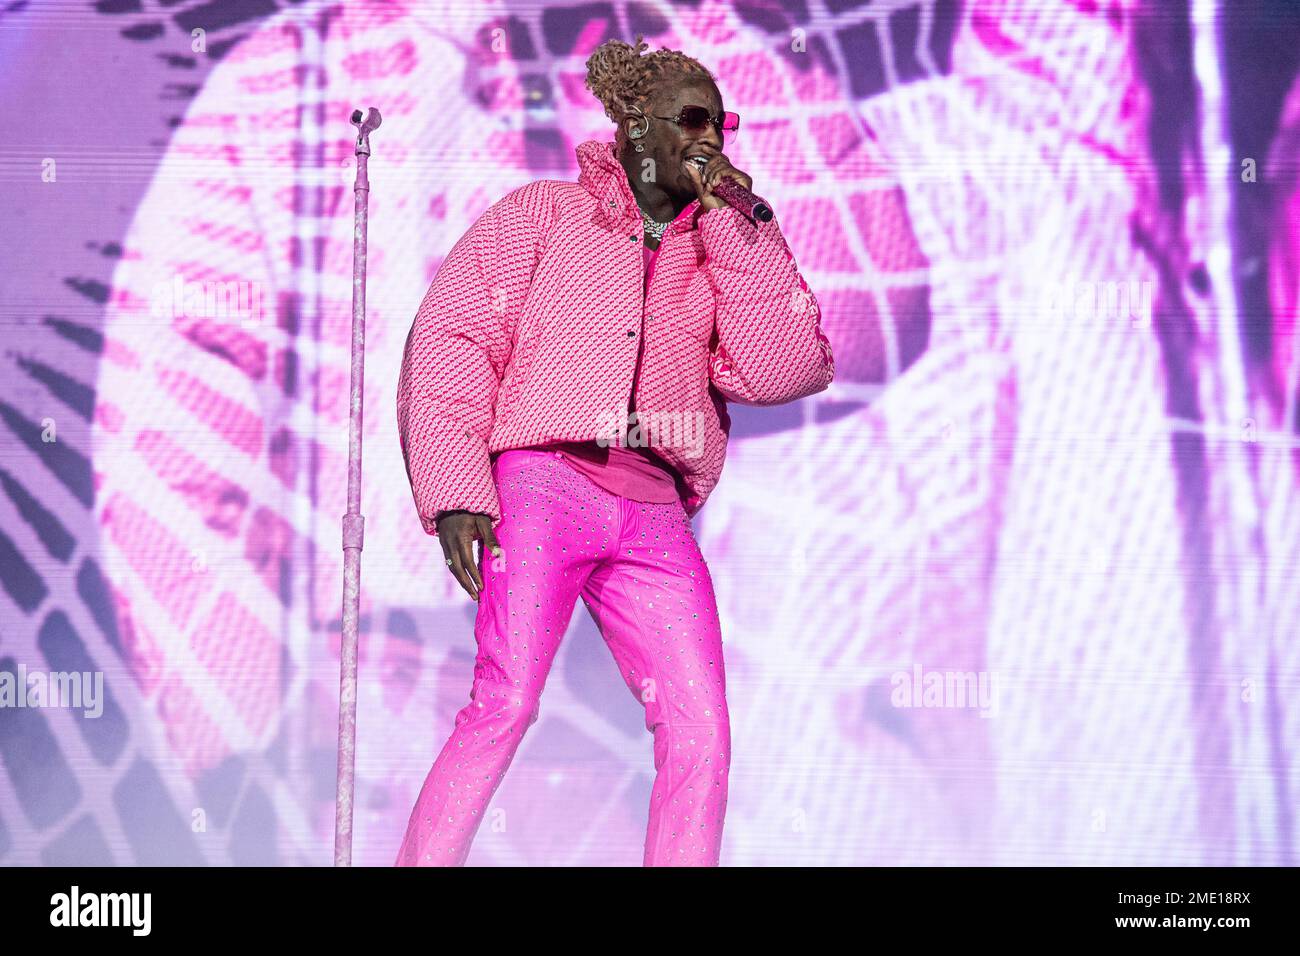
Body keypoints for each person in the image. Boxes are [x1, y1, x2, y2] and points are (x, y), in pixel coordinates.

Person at [394, 34, 834, 866]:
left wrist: (743, 230)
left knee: (701, 729)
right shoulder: (545, 214)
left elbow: (788, 367)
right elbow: (454, 338)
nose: (712, 140)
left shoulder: (716, 250)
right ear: (638, 128)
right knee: (508, 700)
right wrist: (455, 487)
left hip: (654, 515)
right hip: (544, 484)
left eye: (722, 126)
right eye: (693, 121)